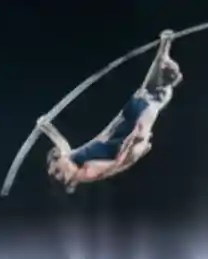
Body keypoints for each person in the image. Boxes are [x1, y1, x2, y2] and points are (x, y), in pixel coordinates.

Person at [38, 30, 183, 192]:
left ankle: (165, 48)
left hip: (125, 124)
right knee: (149, 98)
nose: (59, 174)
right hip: (128, 138)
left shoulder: (71, 160)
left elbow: (63, 147)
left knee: (145, 92)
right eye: (58, 173)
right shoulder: (87, 172)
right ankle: (165, 49)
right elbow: (118, 164)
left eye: (56, 169)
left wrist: (46, 127)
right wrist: (133, 144)